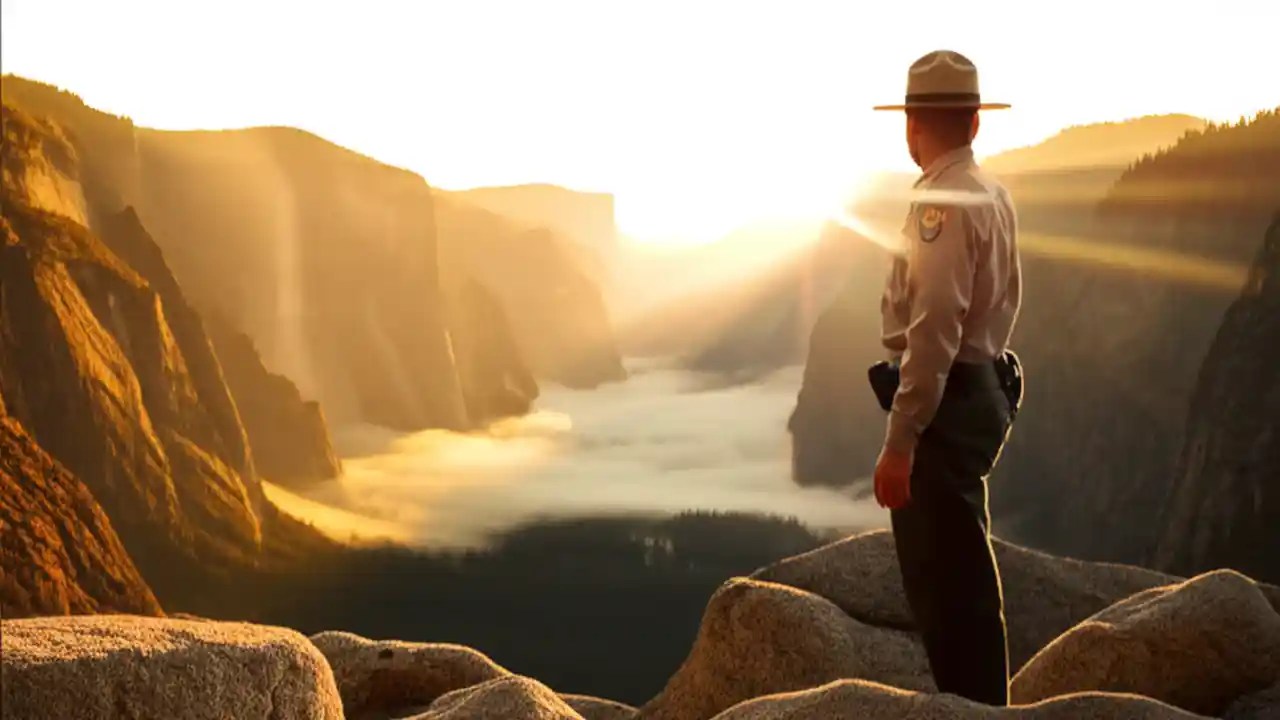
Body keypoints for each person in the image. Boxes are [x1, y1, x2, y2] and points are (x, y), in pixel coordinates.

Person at [870, 49, 1023, 706]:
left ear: (913, 122)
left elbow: (935, 329)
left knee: (946, 580)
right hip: (983, 387)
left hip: (946, 404)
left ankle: (975, 707)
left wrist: (901, 441)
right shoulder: (992, 192)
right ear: (975, 123)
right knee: (961, 561)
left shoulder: (942, 203)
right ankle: (981, 697)